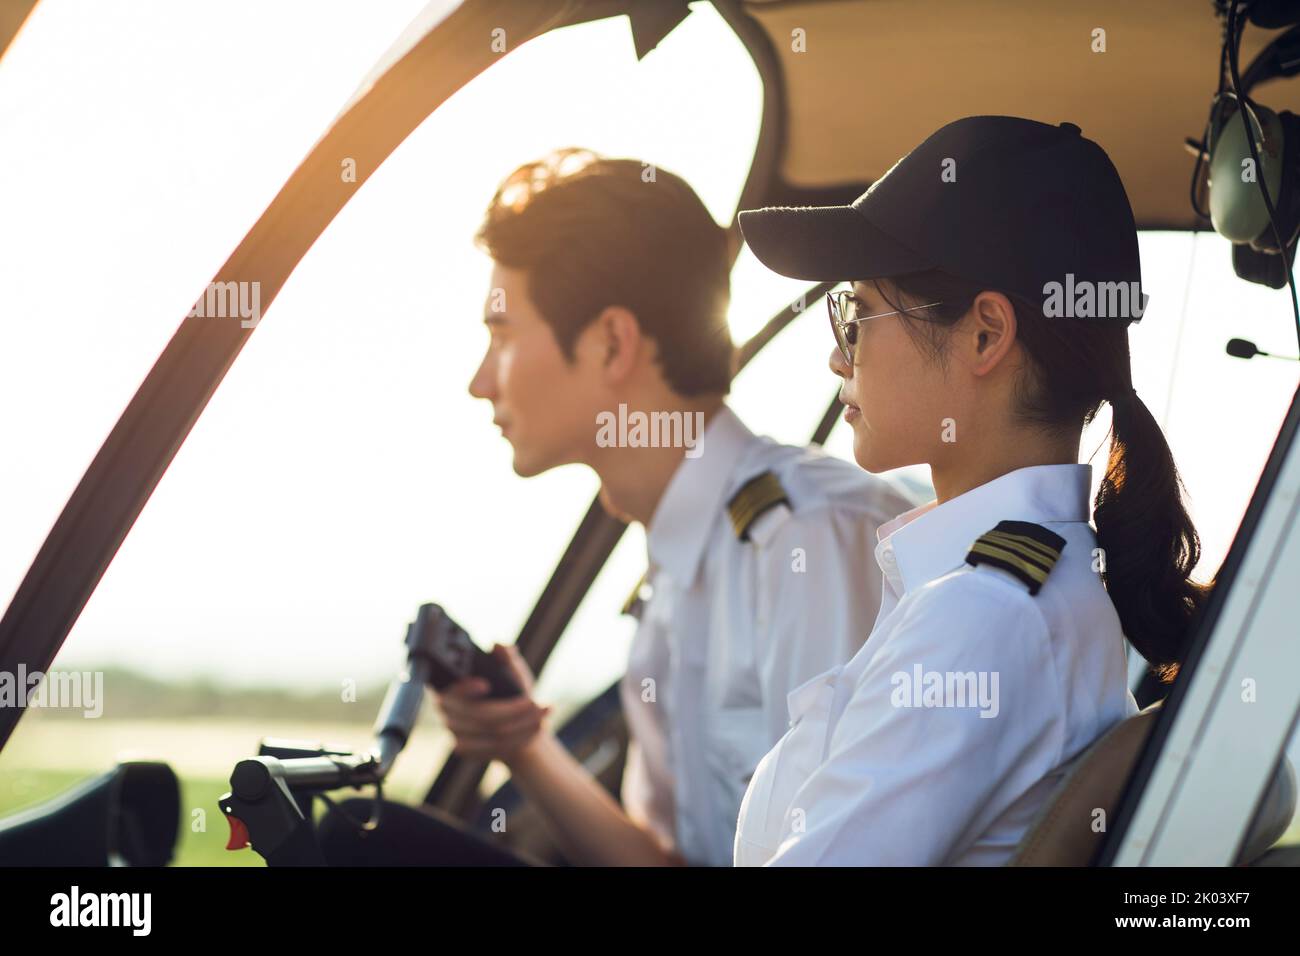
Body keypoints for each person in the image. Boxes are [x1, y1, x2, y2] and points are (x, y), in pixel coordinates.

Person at [317, 148, 912, 866]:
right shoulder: (674, 566)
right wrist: (525, 746)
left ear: (610, 343)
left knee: (354, 843)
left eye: (501, 335)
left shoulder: (811, 540)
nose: (480, 381)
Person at [730, 115, 1212, 866]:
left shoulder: (980, 617)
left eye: (855, 312)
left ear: (986, 334)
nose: (836, 355)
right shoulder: (1019, 592)